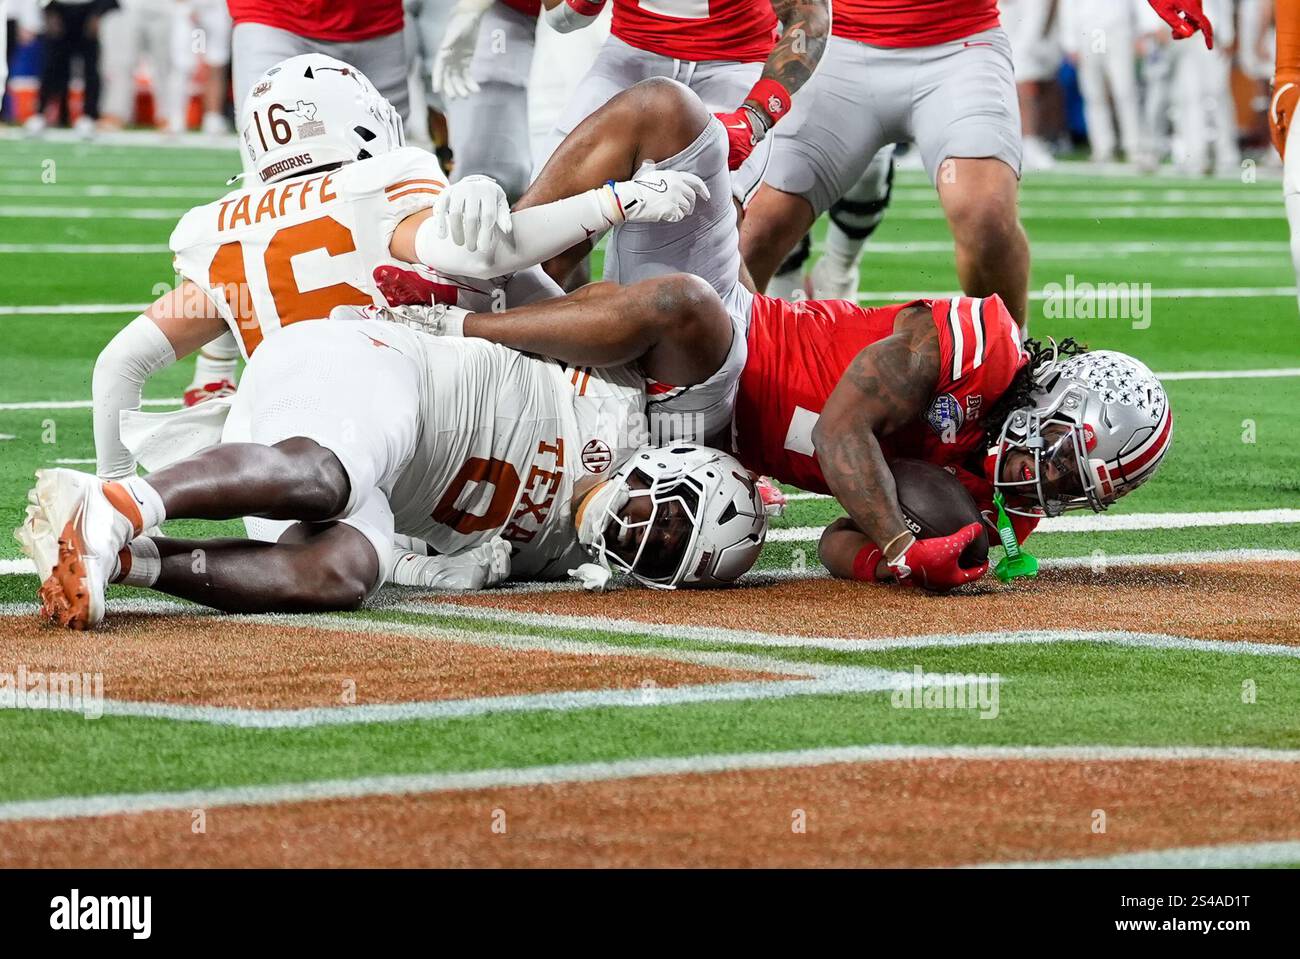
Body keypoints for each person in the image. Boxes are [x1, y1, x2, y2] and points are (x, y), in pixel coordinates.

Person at [381, 79, 1174, 591]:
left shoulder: (1002, 507)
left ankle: (460, 320)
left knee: (683, 307)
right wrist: (902, 543)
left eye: (1079, 491)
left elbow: (835, 543)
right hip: (746, 337)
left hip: (710, 430)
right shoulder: (982, 344)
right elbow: (840, 431)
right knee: (668, 114)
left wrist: (896, 558)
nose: (1053, 482)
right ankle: (482, 273)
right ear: (1056, 397)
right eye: (1068, 457)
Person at [20, 316, 768, 629]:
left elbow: (420, 546)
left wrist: (425, 566)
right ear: (676, 463)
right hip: (372, 371)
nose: (646, 535)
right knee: (327, 479)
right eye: (671, 518)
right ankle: (119, 501)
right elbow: (636, 305)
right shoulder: (623, 397)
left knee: (340, 574)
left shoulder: (562, 561)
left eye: (666, 554)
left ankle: (123, 558)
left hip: (363, 466)